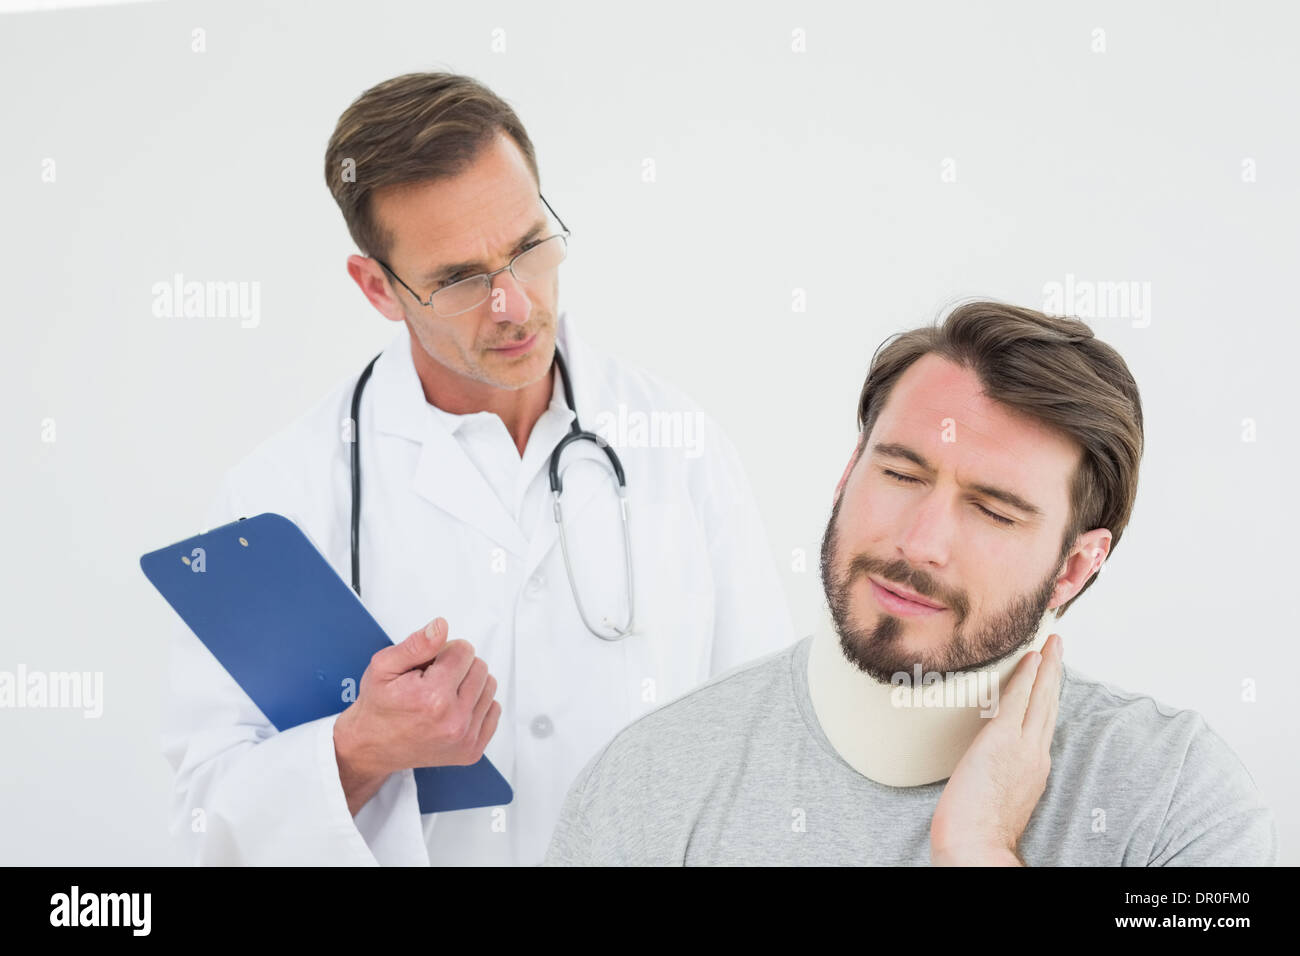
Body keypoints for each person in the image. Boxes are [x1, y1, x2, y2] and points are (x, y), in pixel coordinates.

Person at [160, 72, 795, 865]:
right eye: (459, 279)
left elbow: (770, 749)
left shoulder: (681, 448)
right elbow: (203, 823)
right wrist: (358, 750)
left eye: (529, 248)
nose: (514, 305)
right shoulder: (275, 498)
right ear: (378, 289)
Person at [544, 301, 1278, 866]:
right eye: (899, 473)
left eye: (994, 511)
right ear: (847, 470)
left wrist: (982, 847)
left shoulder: (1179, 799)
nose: (920, 543)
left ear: (1075, 568)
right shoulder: (647, 781)